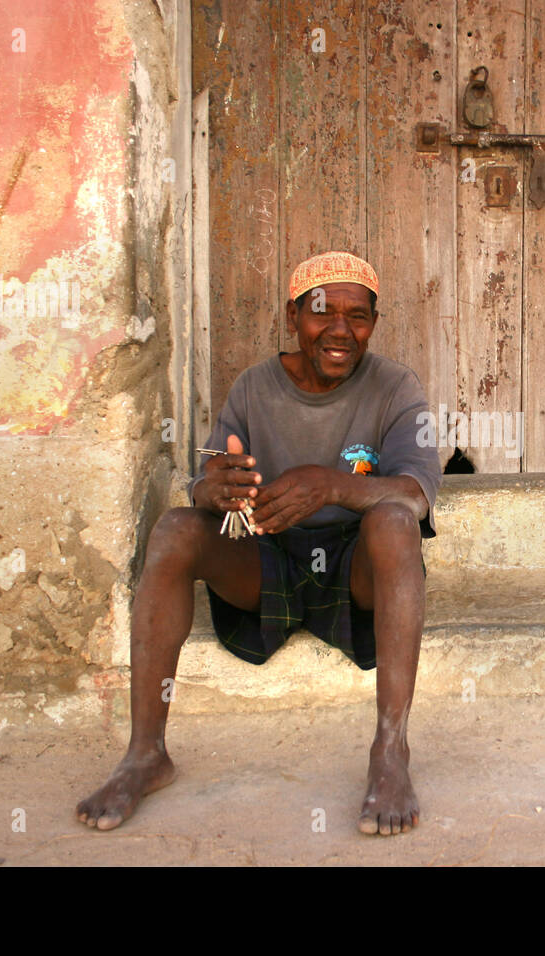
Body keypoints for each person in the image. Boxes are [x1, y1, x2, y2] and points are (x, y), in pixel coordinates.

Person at [76, 251, 441, 836]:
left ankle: (391, 752)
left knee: (396, 521)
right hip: (266, 560)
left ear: (374, 323)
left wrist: (332, 486)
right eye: (323, 312)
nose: (341, 330)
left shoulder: (396, 386)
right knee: (174, 530)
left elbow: (417, 491)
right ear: (293, 316)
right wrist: (213, 488)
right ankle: (146, 754)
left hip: (355, 571)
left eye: (359, 316)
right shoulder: (254, 386)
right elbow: (213, 473)